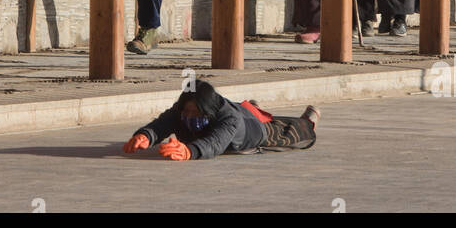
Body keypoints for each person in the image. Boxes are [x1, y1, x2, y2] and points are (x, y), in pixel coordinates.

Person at [122, 80, 319, 160]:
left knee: (292, 132)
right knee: (248, 109)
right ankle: (254, 107)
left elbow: (214, 143)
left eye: (196, 113)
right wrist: (145, 135)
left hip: (254, 131)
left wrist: (190, 151)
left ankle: (308, 120)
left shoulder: (228, 119)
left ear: (208, 110)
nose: (189, 117)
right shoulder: (181, 110)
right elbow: (162, 124)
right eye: (187, 112)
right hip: (240, 110)